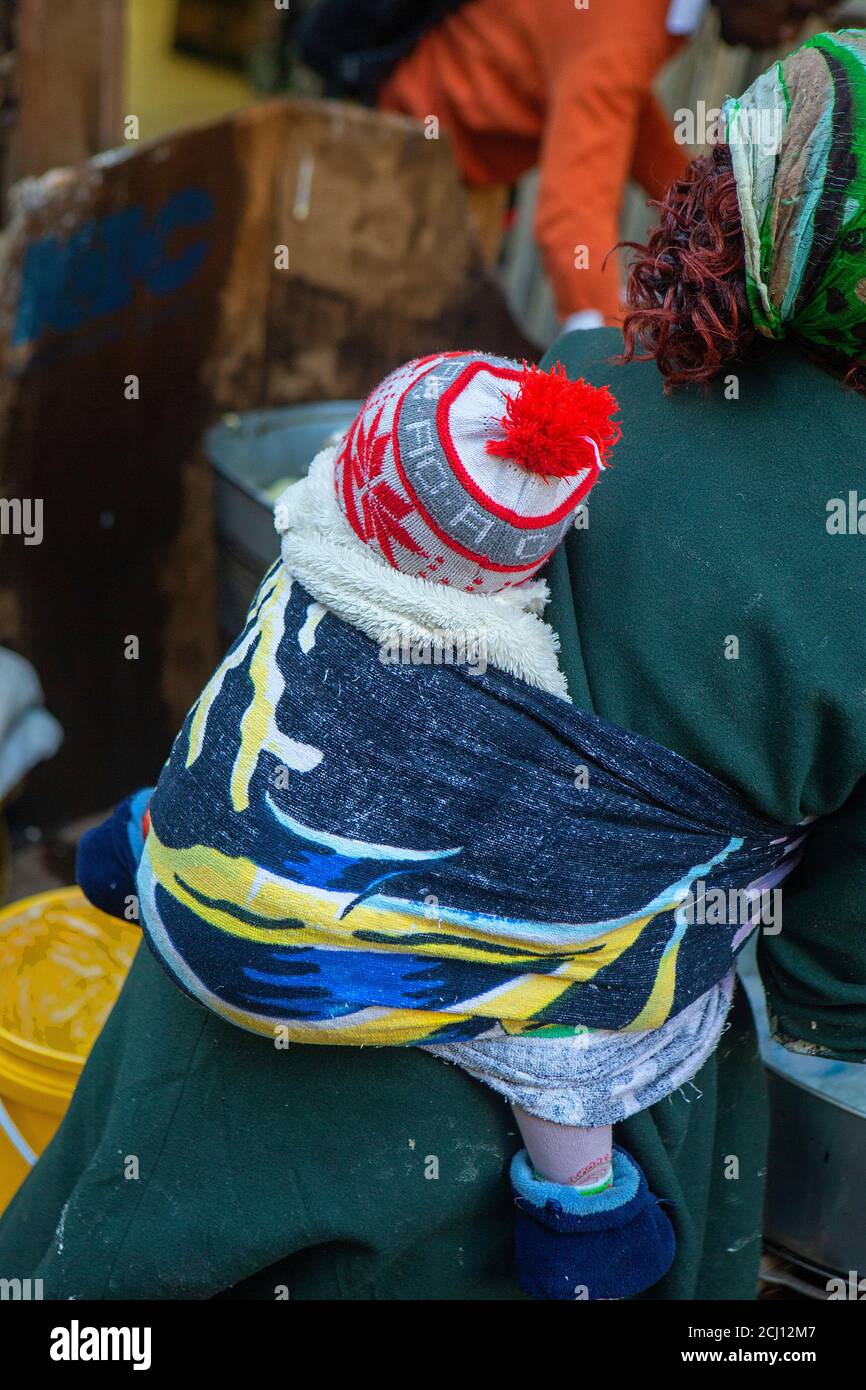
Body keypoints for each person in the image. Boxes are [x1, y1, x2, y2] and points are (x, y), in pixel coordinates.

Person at [1, 27, 863, 1303]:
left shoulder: (577, 373)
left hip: (199, 1025)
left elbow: (343, 620)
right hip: (441, 1168)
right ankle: (587, 1215)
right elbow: (820, 982)